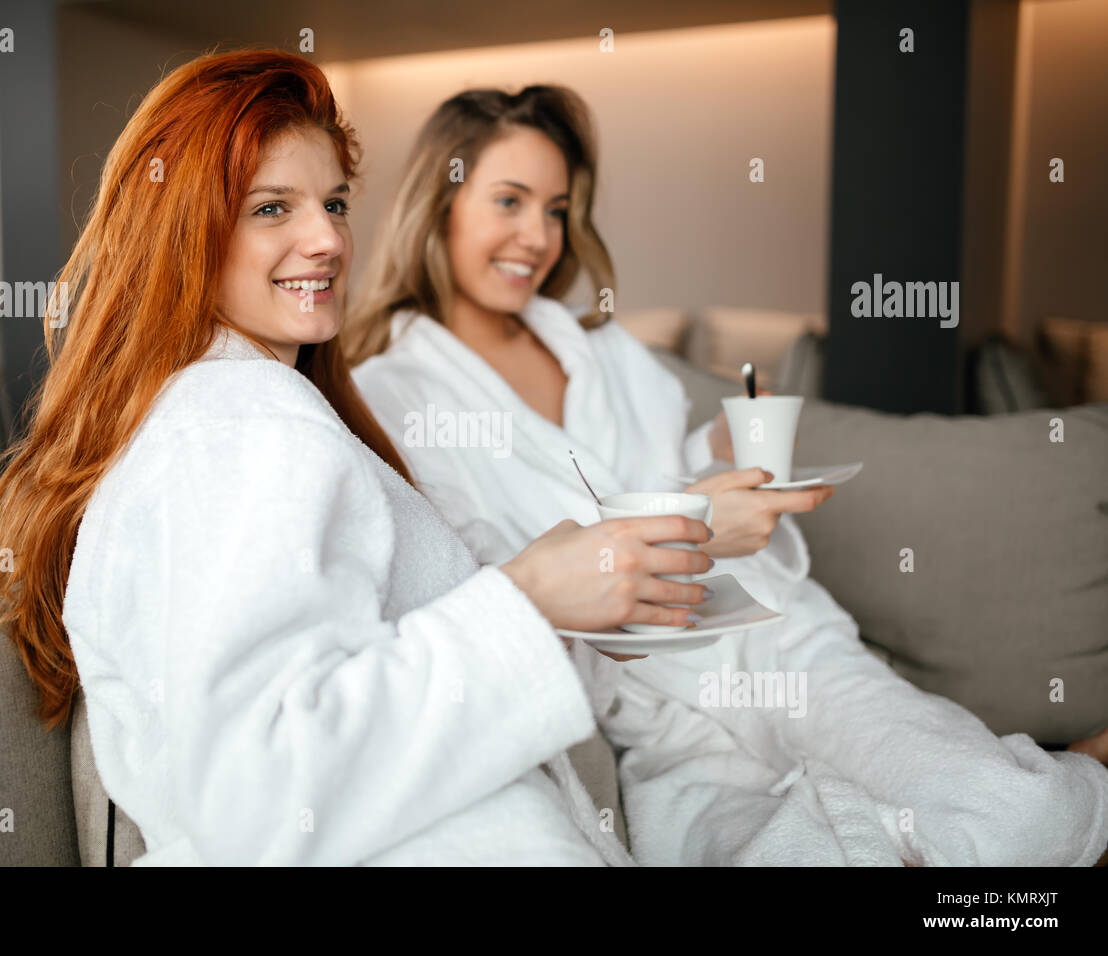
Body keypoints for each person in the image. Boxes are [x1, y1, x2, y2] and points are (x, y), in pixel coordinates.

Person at [0, 51, 714, 866]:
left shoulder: (238, 412)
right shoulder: (240, 426)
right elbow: (260, 787)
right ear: (183, 230)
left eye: (333, 202)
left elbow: (343, 667)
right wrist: (527, 598)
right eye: (271, 208)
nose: (326, 238)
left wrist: (556, 608)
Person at [347, 84, 1108, 865]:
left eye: (556, 209)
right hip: (658, 723)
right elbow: (493, 597)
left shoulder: (605, 352)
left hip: (783, 649)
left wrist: (718, 461)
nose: (537, 236)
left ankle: (1074, 778)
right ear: (439, 200)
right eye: (509, 200)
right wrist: (699, 517)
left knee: (1021, 824)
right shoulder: (391, 398)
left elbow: (672, 480)